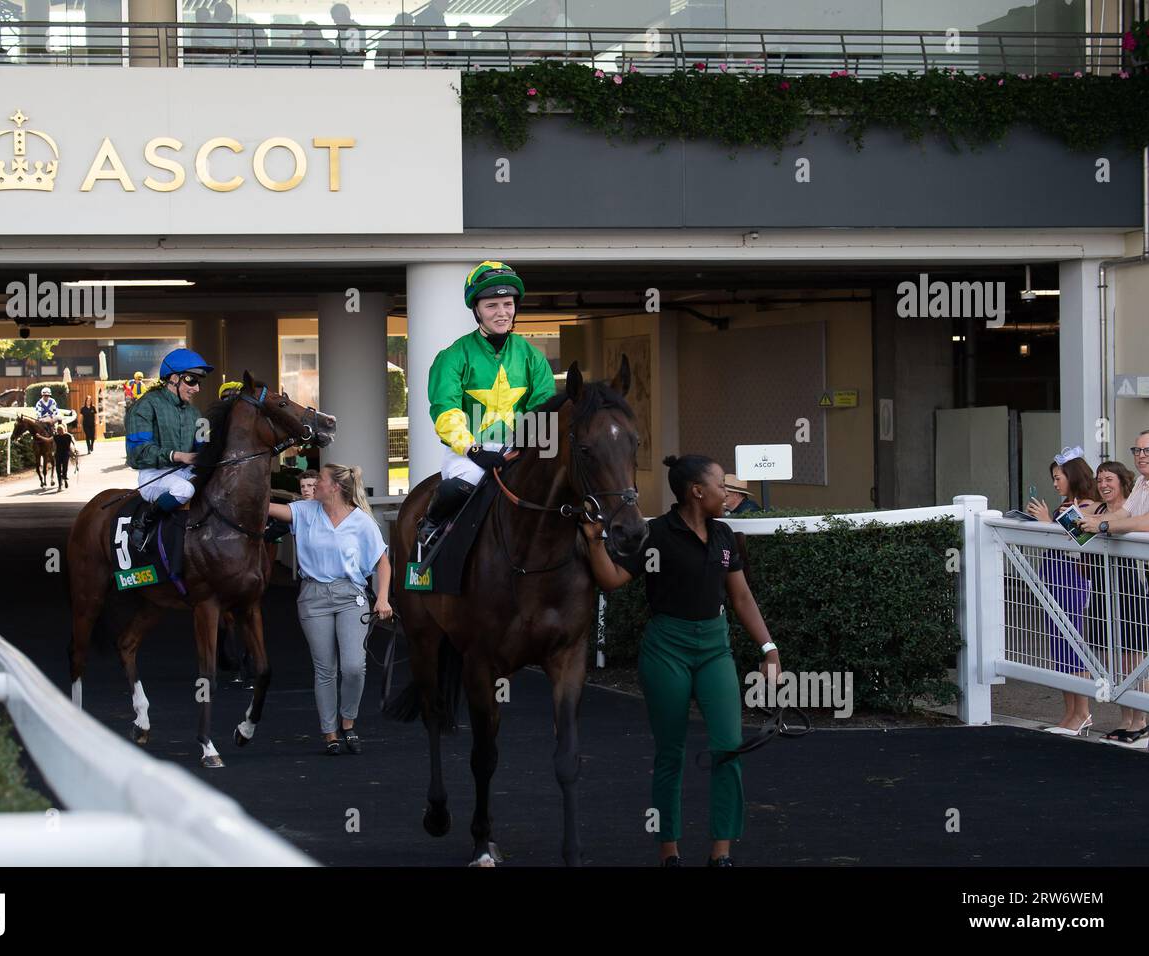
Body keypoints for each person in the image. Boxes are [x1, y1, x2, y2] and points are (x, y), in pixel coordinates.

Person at [582, 454, 780, 866]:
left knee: (728, 747)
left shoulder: (725, 536)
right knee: (669, 752)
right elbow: (612, 580)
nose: (727, 494)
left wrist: (769, 649)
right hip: (665, 649)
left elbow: (741, 597)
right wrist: (594, 540)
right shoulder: (655, 535)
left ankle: (720, 854)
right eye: (721, 487)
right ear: (697, 491)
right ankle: (669, 851)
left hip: (715, 649)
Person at [418, 260, 555, 548]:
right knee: (462, 485)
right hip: (469, 455)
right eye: (492, 305)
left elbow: (543, 405)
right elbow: (445, 409)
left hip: (520, 450)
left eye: (507, 304)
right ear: (477, 310)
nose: (502, 313)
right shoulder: (452, 357)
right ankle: (431, 526)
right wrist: (474, 450)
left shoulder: (533, 357)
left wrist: (527, 444)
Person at [266, 464, 392, 755]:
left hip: (351, 595)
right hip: (313, 596)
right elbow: (268, 508)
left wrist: (383, 598)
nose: (313, 484)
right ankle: (330, 733)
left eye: (319, 480)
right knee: (325, 669)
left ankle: (348, 722)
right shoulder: (305, 511)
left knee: (353, 667)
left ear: (335, 487)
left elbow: (382, 562)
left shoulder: (361, 522)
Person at [1026, 447, 1100, 735]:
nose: (1055, 484)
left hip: (1072, 581)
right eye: (1053, 478)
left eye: (1059, 478)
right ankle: (1069, 712)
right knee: (1059, 646)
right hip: (1054, 577)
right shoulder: (1065, 505)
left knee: (1073, 645)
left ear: (1073, 476)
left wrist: (1048, 522)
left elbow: (1079, 540)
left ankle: (1082, 712)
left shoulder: (1090, 505)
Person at [1085, 460, 1149, 747]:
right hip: (1103, 587)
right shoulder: (1100, 509)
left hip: (1132, 585)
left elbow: (1137, 522)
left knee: (1134, 655)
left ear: (1121, 481)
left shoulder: (1129, 504)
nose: (1103, 484)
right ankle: (1126, 719)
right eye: (1099, 480)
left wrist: (1103, 524)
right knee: (1114, 657)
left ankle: (1141, 722)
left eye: (1108, 479)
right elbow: (1081, 537)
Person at [124, 348, 213, 552]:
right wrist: (179, 456)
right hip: (154, 475)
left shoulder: (196, 413)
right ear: (173, 378)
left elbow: (204, 447)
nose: (197, 388)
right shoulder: (144, 406)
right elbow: (138, 454)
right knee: (185, 490)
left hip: (185, 472)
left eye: (199, 382)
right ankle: (142, 523)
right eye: (192, 380)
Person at [52, 422, 74, 491]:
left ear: (64, 429)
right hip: (58, 454)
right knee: (58, 470)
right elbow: (54, 446)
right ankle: (59, 486)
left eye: (61, 430)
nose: (59, 431)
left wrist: (73, 453)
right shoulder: (56, 437)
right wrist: (53, 453)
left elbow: (71, 446)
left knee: (65, 468)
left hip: (65, 454)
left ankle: (64, 478)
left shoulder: (68, 436)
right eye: (58, 430)